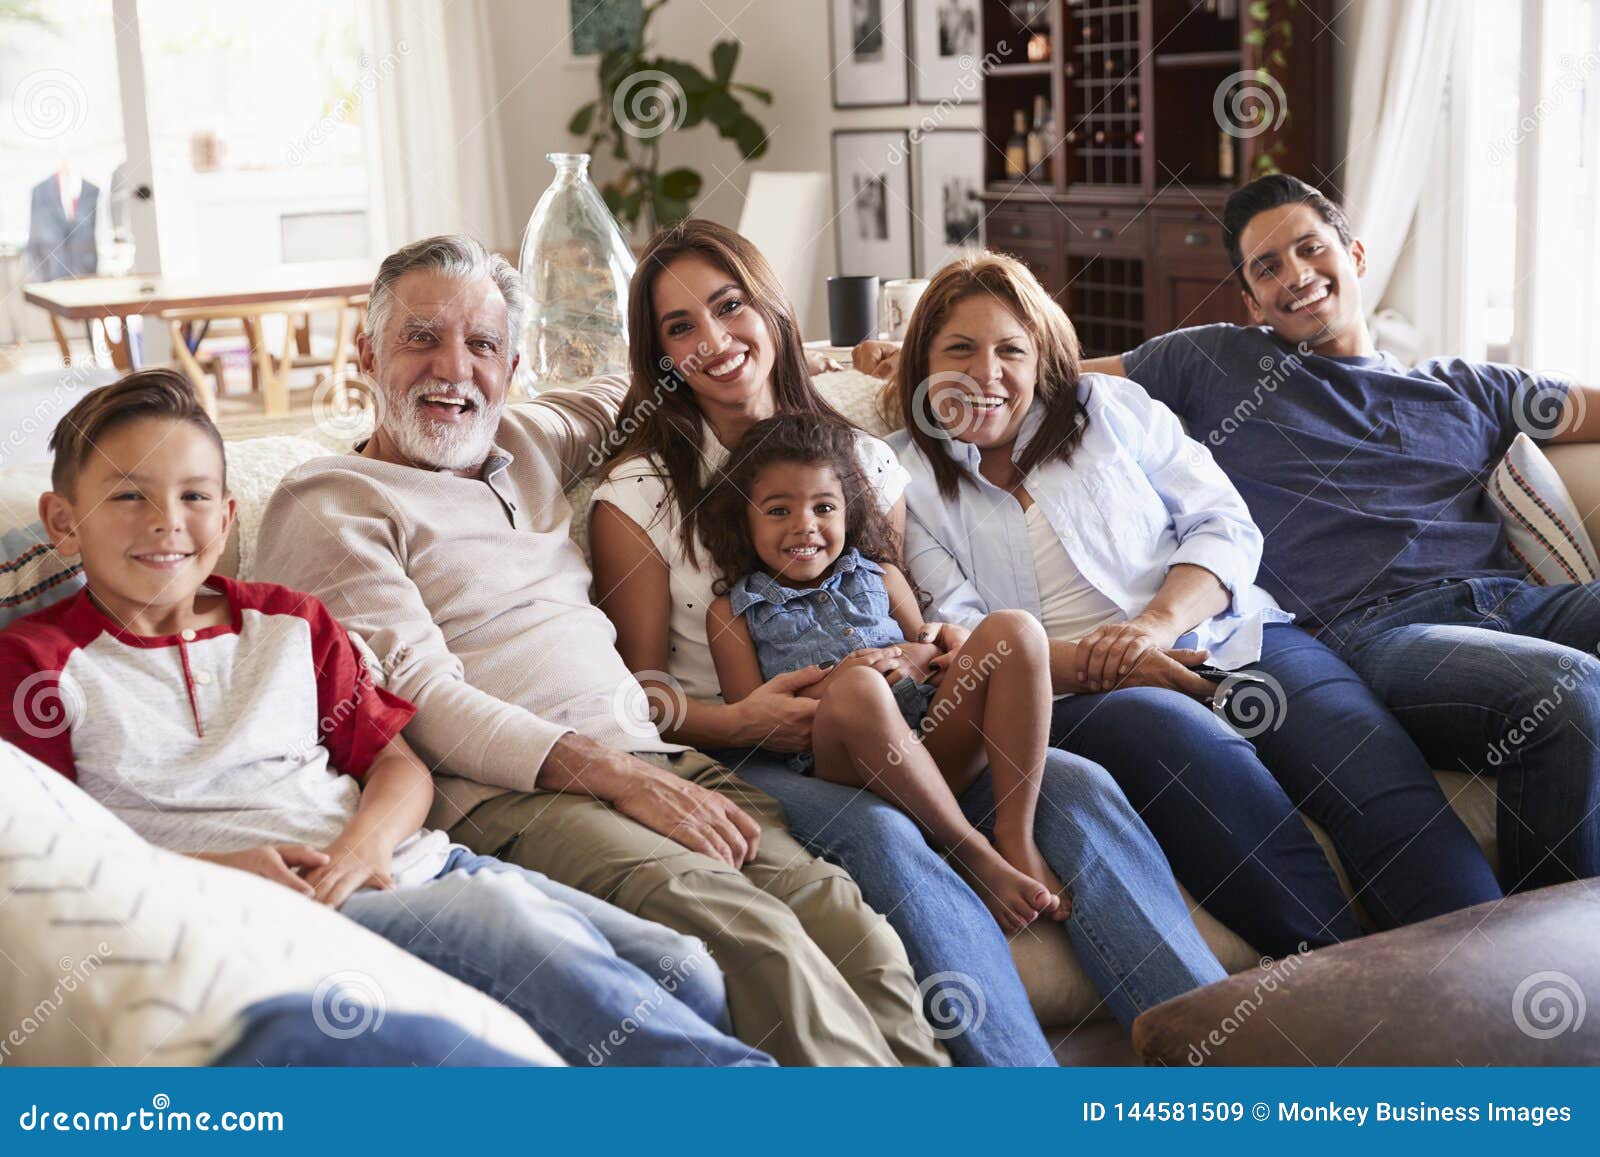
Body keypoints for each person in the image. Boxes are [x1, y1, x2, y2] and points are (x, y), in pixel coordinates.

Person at [252, 235, 942, 1068]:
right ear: (366, 353)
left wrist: (848, 358)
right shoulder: (332, 502)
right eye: (420, 337)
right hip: (514, 795)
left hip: (656, 760)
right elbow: (421, 702)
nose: (453, 369)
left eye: (480, 346)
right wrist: (617, 775)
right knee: (754, 935)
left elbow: (655, 376)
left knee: (845, 919)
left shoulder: (530, 442)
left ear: (510, 369)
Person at [589, 218, 1227, 1066]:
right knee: (884, 836)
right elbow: (638, 693)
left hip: (910, 715)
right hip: (765, 754)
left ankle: (1231, 1074)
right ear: (658, 351)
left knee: (1075, 785)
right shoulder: (637, 494)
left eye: (729, 305)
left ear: (771, 308)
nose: (712, 339)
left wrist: (931, 648)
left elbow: (901, 610)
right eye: (679, 327)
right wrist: (740, 723)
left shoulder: (860, 460)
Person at [0, 369, 772, 1069]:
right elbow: (49, 849)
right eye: (129, 495)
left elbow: (398, 764)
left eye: (195, 495)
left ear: (228, 513)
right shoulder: (35, 661)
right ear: (63, 521)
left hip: (409, 863)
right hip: (281, 907)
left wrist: (359, 847)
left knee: (687, 967)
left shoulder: (289, 621)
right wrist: (226, 870)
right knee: (523, 937)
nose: (168, 522)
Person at [885, 251, 1502, 955]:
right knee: (1200, 759)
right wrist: (1115, 665)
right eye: (959, 348)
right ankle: (1342, 997)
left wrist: (1155, 627)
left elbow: (1223, 523)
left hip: (1226, 631)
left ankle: (1484, 985)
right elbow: (965, 637)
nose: (986, 373)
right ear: (923, 360)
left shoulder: (1108, 409)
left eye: (1010, 350)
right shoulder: (906, 480)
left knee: (1372, 772)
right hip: (1077, 695)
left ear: (1042, 356)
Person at [1078, 174, 1600, 892]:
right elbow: (1050, 381)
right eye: (1268, 267)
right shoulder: (1213, 362)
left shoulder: (1467, 386)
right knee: (1571, 693)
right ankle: (1556, 966)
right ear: (1251, 300)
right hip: (1380, 635)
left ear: (1354, 255)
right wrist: (903, 358)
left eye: (1310, 249)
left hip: (1513, 604)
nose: (1295, 276)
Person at [703, 415, 1065, 932]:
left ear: (849, 512)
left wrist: (935, 651)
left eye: (824, 507)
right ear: (743, 520)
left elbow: (925, 650)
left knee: (1015, 628)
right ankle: (971, 851)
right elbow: (760, 722)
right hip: (848, 766)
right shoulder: (734, 614)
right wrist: (844, 679)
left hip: (933, 741)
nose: (805, 524)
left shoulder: (882, 575)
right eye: (779, 510)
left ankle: (1015, 835)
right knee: (858, 686)